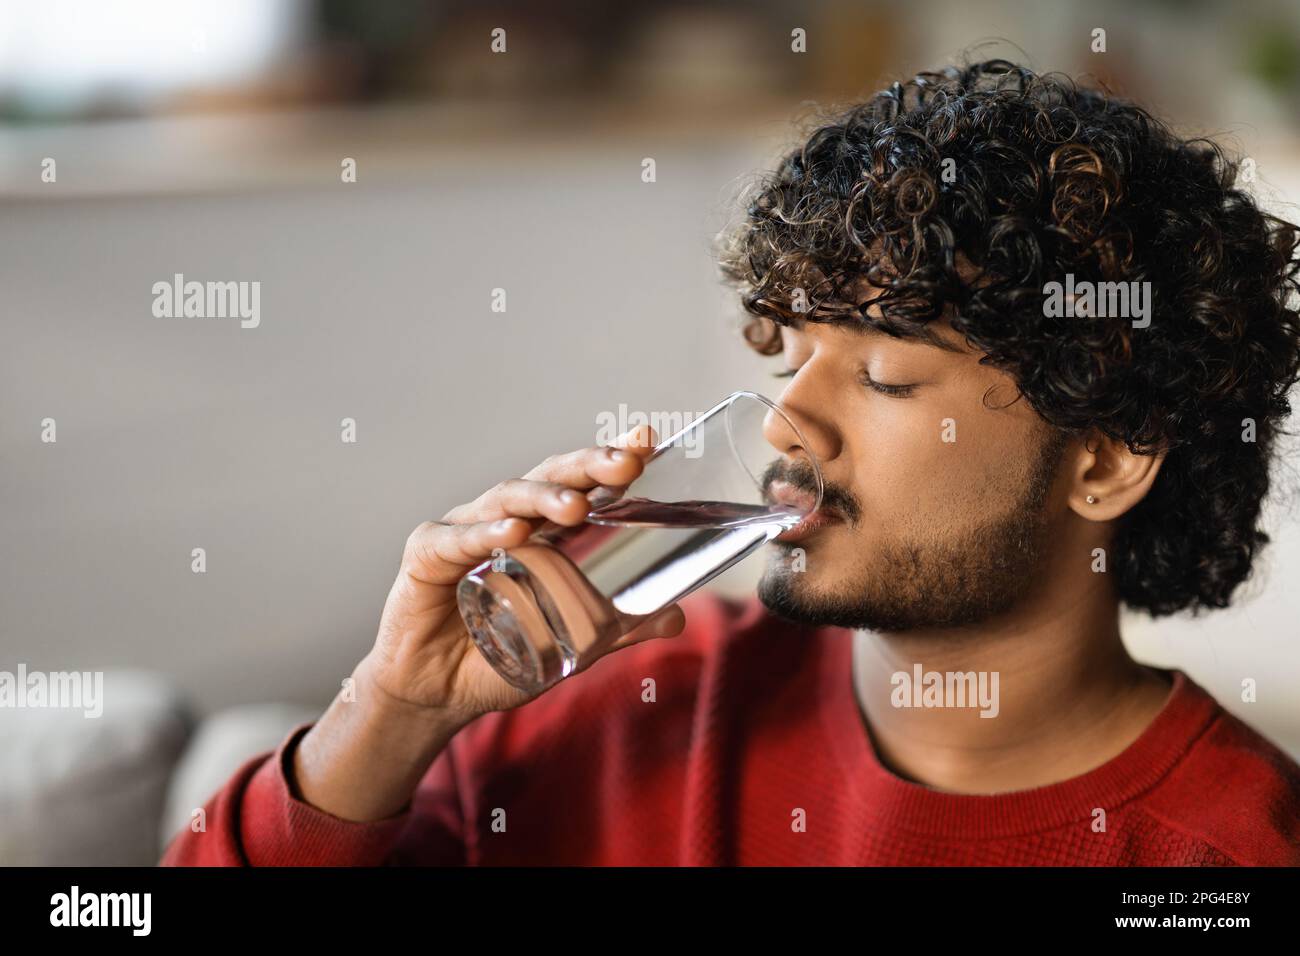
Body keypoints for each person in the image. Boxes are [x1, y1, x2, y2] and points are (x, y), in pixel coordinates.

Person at [161, 60, 1300, 866]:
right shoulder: (605, 703)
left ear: (1102, 459)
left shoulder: (1225, 851)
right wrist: (389, 712)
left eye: (886, 377)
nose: (782, 426)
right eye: (790, 357)